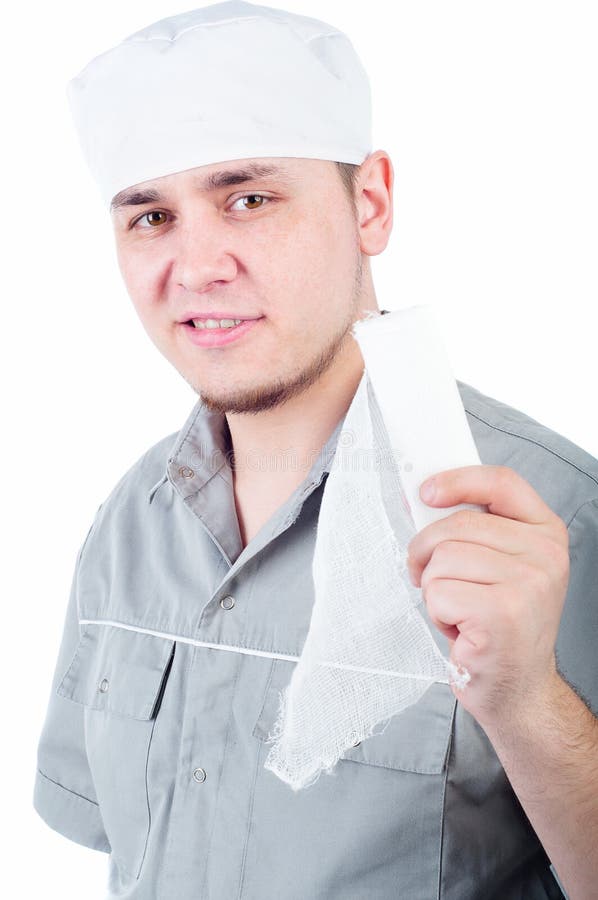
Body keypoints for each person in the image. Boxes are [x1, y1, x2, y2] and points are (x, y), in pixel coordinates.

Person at [33, 3, 598, 898]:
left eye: (248, 199)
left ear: (369, 205)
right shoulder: (129, 525)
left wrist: (527, 701)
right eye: (149, 217)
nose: (197, 265)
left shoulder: (554, 522)